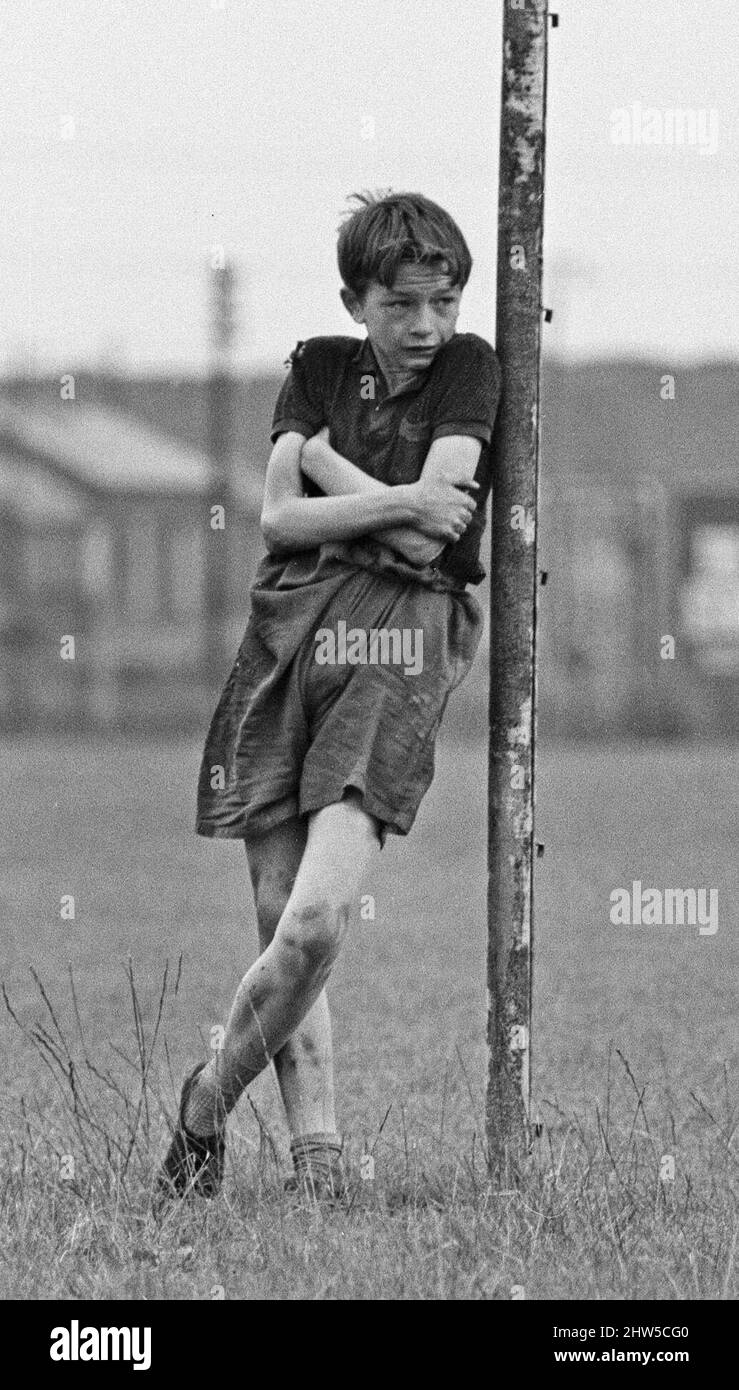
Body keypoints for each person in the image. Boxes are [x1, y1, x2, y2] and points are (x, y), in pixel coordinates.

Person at [157, 190, 501, 1204]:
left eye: (441, 301)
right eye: (402, 305)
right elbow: (275, 520)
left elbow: (437, 541)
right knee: (275, 921)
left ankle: (203, 1102)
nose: (426, 326)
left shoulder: (470, 368)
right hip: (285, 638)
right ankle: (319, 1161)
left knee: (313, 923)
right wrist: (386, 502)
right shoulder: (314, 365)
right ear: (356, 300)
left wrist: (327, 471)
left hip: (399, 642)